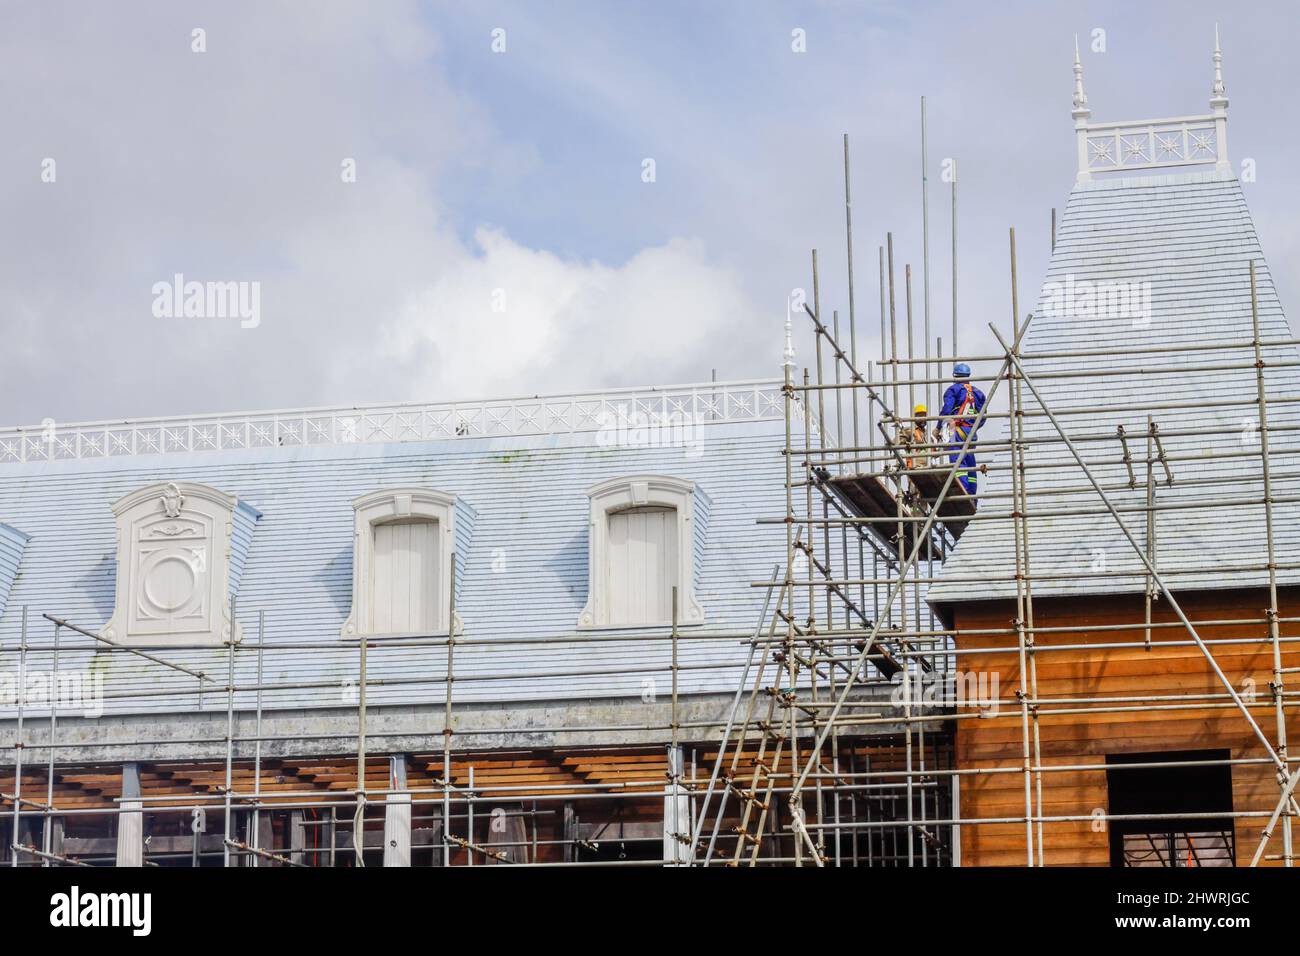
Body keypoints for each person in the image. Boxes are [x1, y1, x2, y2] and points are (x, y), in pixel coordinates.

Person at [939, 362, 986, 495]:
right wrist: (973, 427)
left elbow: (947, 411)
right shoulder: (978, 393)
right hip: (970, 433)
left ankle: (963, 493)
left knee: (958, 463)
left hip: (956, 431)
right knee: (970, 463)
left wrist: (938, 427)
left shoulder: (953, 390)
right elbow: (983, 417)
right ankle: (972, 496)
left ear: (955, 376)